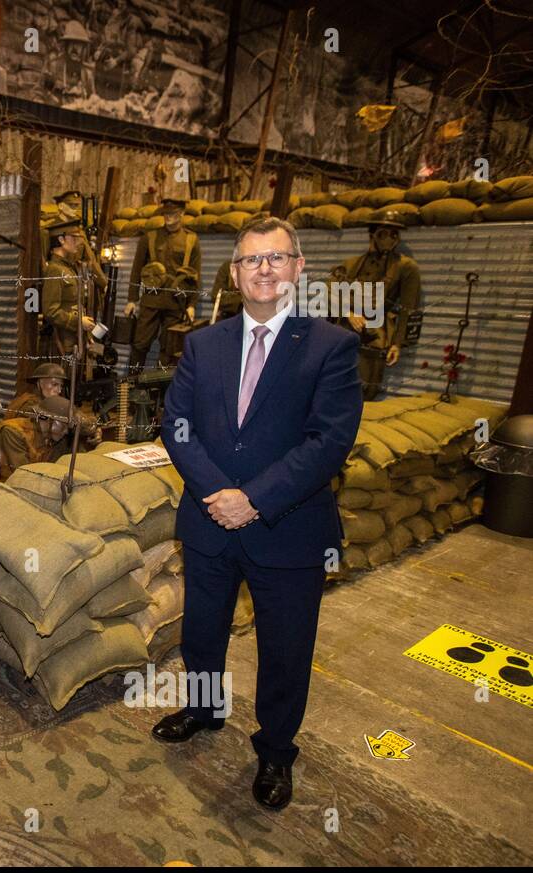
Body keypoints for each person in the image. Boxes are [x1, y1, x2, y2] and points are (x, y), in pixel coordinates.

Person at [158, 216, 361, 810]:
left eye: (276, 258)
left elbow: (329, 441)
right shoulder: (204, 343)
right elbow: (178, 424)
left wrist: (255, 499)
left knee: (285, 647)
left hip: (288, 527)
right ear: (236, 272)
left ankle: (275, 751)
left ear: (298, 268)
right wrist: (218, 493)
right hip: (209, 521)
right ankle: (202, 708)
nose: (264, 269)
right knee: (201, 631)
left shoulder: (331, 346)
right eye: (251, 260)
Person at [329, 209, 421, 400]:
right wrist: (348, 313)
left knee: (365, 391)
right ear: (373, 235)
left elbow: (408, 307)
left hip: (374, 337)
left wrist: (397, 344)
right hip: (344, 335)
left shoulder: (405, 267)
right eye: (384, 234)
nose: (390, 239)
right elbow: (328, 291)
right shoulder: (352, 264)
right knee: (333, 387)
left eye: (394, 234)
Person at [124, 197, 201, 373]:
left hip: (176, 303)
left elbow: (195, 275)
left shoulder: (191, 240)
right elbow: (137, 270)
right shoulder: (149, 237)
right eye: (166, 213)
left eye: (173, 213)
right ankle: (130, 387)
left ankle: (159, 392)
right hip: (151, 300)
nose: (168, 217)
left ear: (181, 214)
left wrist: (191, 304)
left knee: (169, 348)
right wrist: (131, 299)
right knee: (140, 344)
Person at [0, 394, 75, 482]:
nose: (66, 431)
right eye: (63, 425)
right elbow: (21, 477)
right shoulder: (13, 432)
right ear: (46, 418)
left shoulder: (48, 439)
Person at [41, 219, 97, 361]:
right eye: (74, 237)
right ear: (61, 239)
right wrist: (79, 322)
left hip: (75, 339)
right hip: (62, 343)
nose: (78, 242)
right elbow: (50, 311)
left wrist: (87, 336)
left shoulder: (69, 268)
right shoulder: (54, 269)